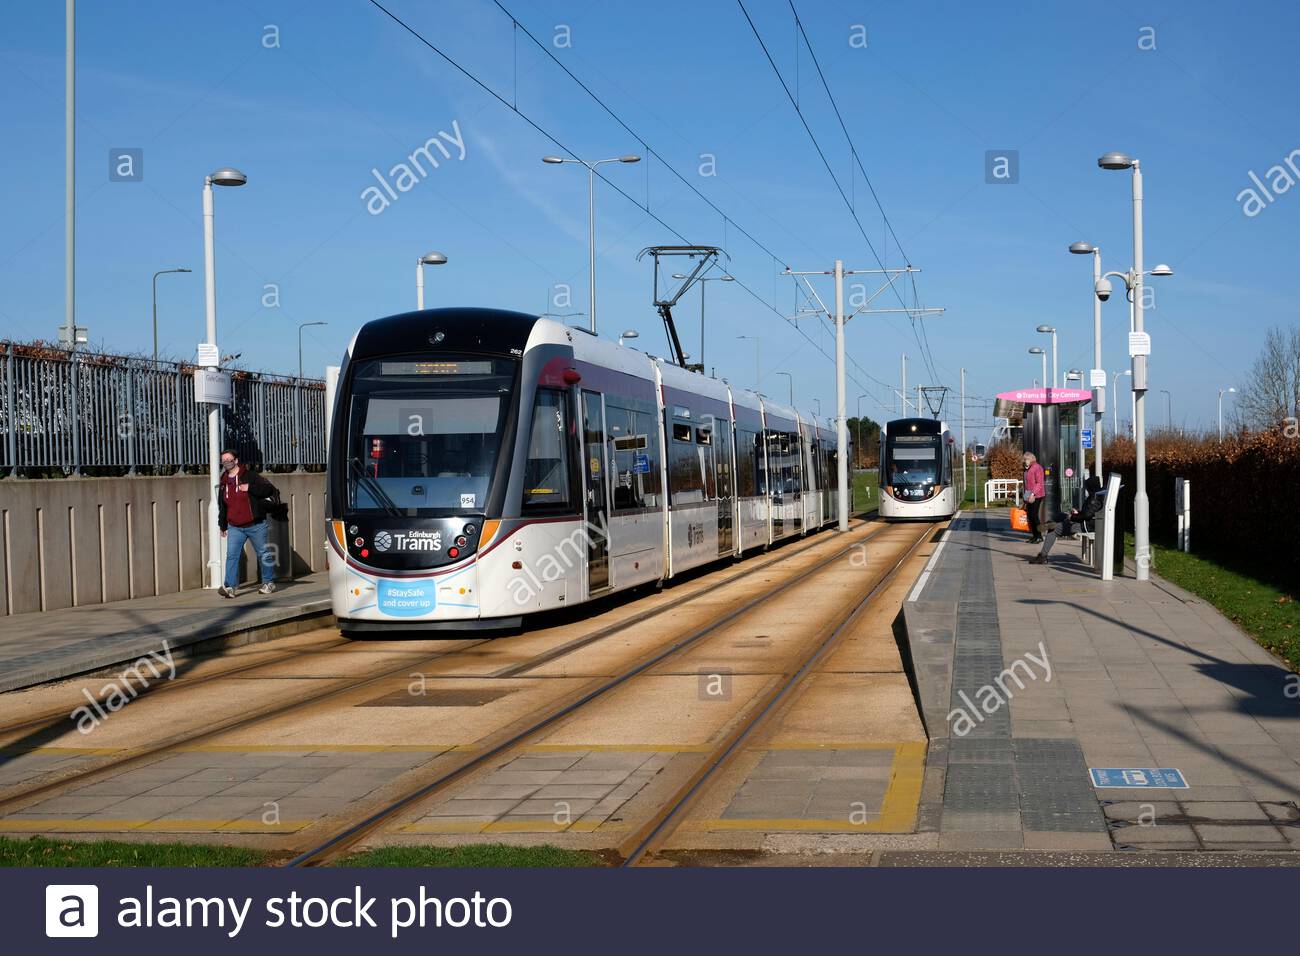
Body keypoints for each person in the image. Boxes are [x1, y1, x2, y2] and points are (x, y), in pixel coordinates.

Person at [217, 448, 280, 598]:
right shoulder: (224, 481)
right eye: (223, 460)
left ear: (236, 461)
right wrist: (223, 524)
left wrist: (250, 487)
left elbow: (268, 489)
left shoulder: (250, 476)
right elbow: (223, 505)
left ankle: (269, 582)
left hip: (255, 524)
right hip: (235, 526)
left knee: (263, 553)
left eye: (229, 459)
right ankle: (230, 587)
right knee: (231, 555)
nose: (226, 462)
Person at [1029, 476, 1104, 564]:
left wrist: (1072, 517)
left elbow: (1087, 515)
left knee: (1053, 530)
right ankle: (1050, 523)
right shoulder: (1097, 495)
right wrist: (1077, 512)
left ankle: (1043, 556)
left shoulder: (1094, 498)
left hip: (1084, 525)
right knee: (1060, 515)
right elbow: (1088, 513)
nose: (1086, 489)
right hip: (1086, 522)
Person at [1021, 451, 1045, 544]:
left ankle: (1039, 536)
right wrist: (1025, 496)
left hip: (1036, 495)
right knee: (1030, 516)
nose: (1023, 461)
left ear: (1030, 459)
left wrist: (1033, 494)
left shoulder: (1037, 468)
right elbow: (1026, 483)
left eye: (1025, 459)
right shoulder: (1028, 468)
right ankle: (1035, 536)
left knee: (1034, 515)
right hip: (1028, 494)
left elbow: (1039, 483)